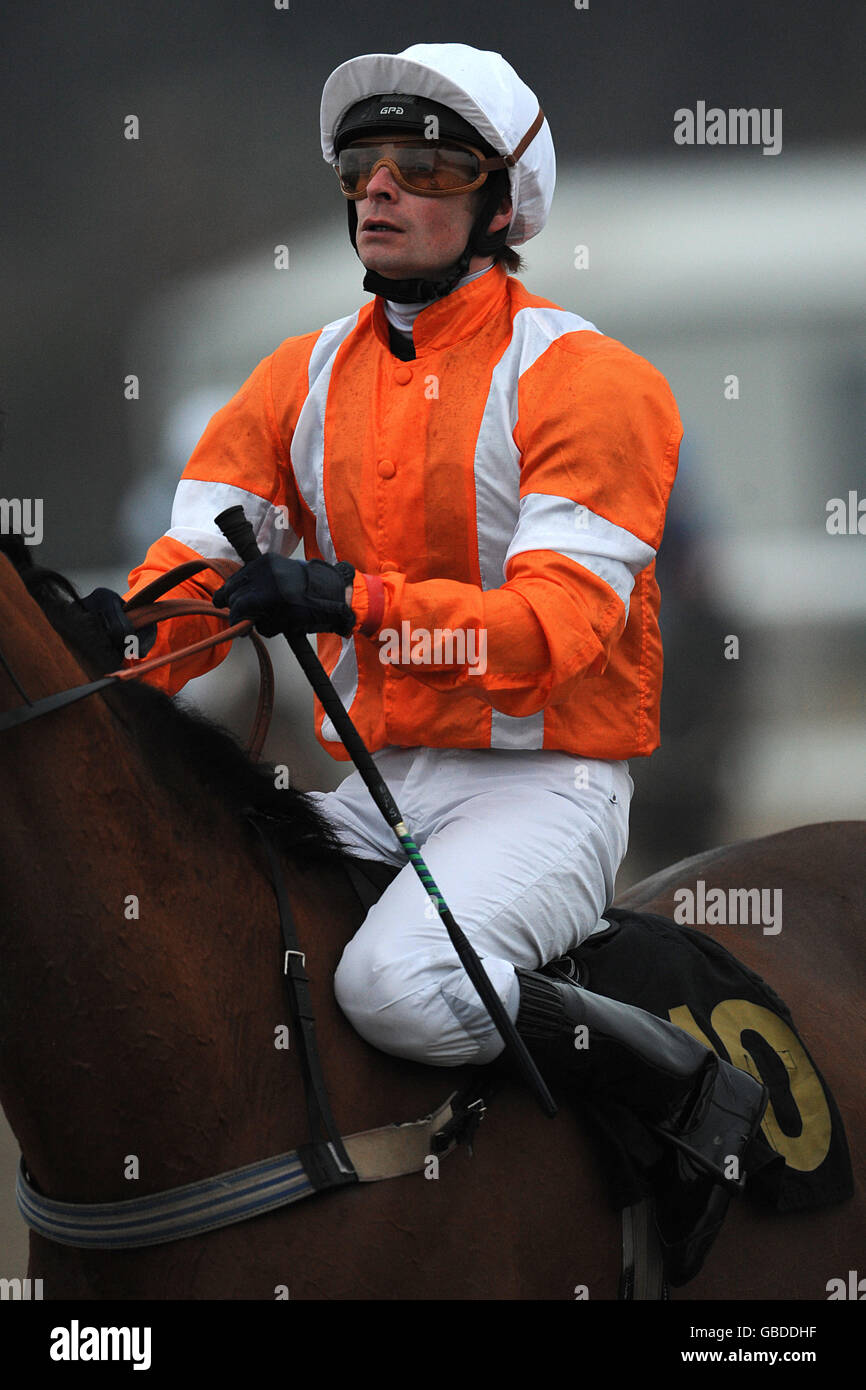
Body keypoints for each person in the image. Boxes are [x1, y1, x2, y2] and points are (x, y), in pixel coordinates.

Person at [92, 43, 766, 1284]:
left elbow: (554, 631)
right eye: (363, 165)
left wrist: (346, 600)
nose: (380, 189)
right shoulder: (291, 379)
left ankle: (674, 1084)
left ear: (498, 207)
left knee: (399, 988)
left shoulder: (590, 381)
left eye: (426, 166)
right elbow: (182, 577)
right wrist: (119, 644)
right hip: (381, 785)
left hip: (542, 788)